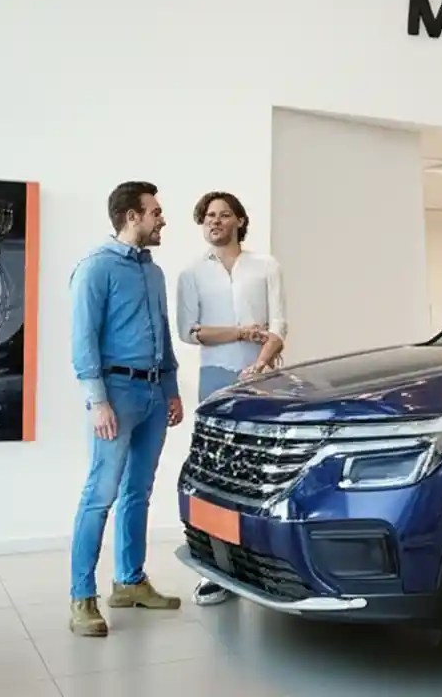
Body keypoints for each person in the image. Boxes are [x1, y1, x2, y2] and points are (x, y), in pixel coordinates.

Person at [68, 181, 185, 637]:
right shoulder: (95, 268)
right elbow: (83, 340)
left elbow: (164, 335)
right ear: (132, 216)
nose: (162, 219)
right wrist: (98, 402)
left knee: (139, 492)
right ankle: (82, 598)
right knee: (100, 495)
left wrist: (171, 389)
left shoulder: (153, 273)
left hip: (154, 393)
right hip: (115, 394)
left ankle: (130, 582)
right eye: (155, 211)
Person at [176, 190, 287, 606]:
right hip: (215, 380)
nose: (214, 222)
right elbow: (190, 331)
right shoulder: (192, 274)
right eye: (207, 216)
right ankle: (217, 571)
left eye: (223, 215)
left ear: (239, 221)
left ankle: (266, 567)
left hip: (263, 377)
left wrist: (258, 364)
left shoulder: (265, 267)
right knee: (217, 478)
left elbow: (279, 324)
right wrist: (241, 332)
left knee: (262, 475)